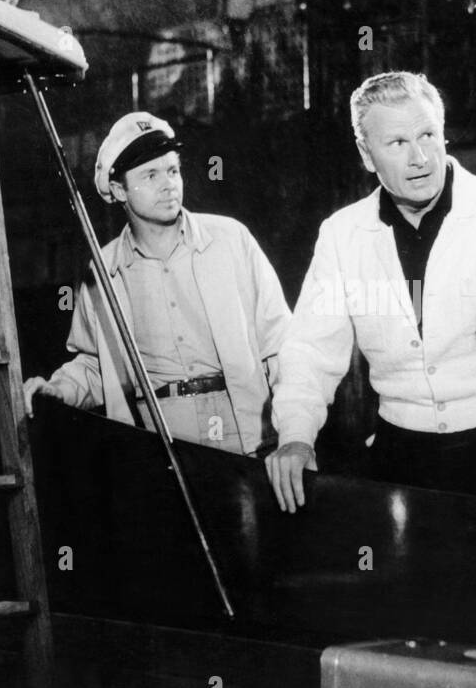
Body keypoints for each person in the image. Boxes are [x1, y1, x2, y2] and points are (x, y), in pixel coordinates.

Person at [265, 71, 476, 510]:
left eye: (428, 135)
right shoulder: (343, 235)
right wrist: (295, 436)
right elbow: (310, 349)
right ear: (367, 155)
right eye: (398, 143)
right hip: (402, 454)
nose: (420, 157)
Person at [23, 112, 290, 456]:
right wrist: (56, 389)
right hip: (156, 445)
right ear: (119, 189)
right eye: (151, 175)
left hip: (245, 433)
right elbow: (96, 365)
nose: (169, 184)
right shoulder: (103, 270)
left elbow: (281, 344)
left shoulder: (230, 240)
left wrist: (293, 431)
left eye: (173, 170)